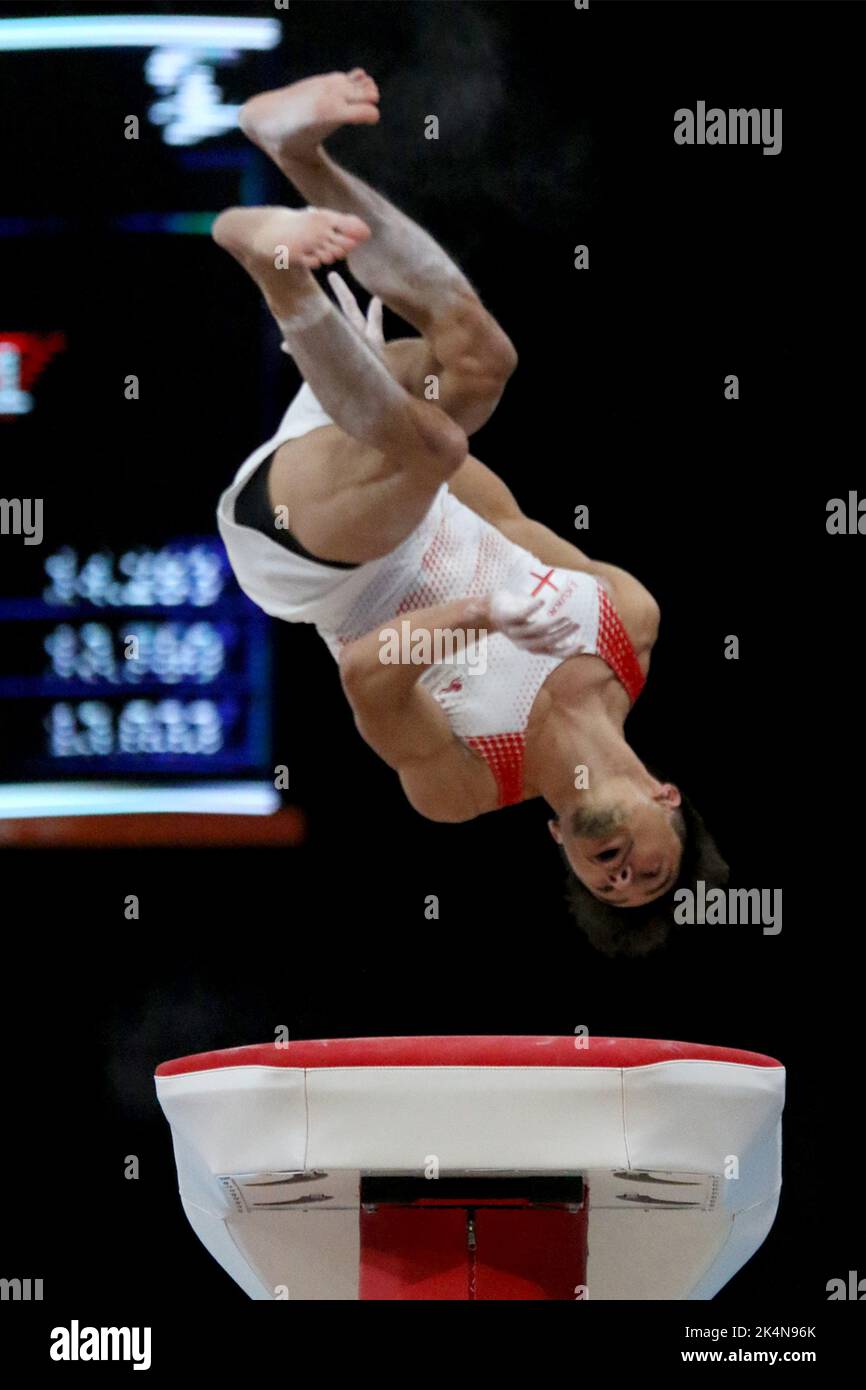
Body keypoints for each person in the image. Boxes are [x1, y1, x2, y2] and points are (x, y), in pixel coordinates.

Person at [214, 69, 728, 936]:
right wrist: (401, 400)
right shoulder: (626, 621)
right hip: (373, 452)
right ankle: (299, 154)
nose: (622, 876)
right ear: (664, 796)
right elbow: (493, 511)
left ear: (562, 845)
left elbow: (364, 672)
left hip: (307, 558)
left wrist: (481, 615)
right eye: (652, 871)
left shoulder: (467, 787)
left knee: (437, 445)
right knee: (484, 365)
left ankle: (269, 261)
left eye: (609, 888)